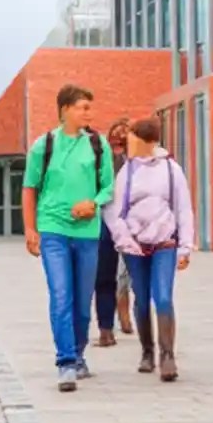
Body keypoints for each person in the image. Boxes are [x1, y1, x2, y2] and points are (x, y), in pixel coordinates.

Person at [21, 83, 115, 393]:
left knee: (82, 302)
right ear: (65, 110)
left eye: (90, 107)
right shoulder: (43, 145)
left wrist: (94, 203)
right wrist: (30, 229)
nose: (89, 112)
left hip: (88, 233)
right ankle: (65, 363)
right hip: (53, 229)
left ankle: (78, 353)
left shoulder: (99, 145)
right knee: (61, 295)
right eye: (83, 107)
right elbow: (29, 187)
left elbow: (108, 188)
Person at [103, 117, 193, 382]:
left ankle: (168, 355)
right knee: (141, 299)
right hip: (134, 246)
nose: (127, 142)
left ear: (146, 141)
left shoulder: (171, 170)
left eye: (132, 138)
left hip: (164, 242)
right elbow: (113, 211)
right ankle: (147, 351)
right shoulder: (126, 172)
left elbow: (183, 208)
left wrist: (185, 246)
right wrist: (124, 239)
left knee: (163, 296)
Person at [95, 118, 133, 347]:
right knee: (105, 278)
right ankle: (106, 328)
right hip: (107, 225)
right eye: (115, 136)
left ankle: (133, 318)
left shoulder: (140, 163)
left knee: (135, 278)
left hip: (135, 228)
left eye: (125, 135)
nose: (119, 138)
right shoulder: (102, 162)